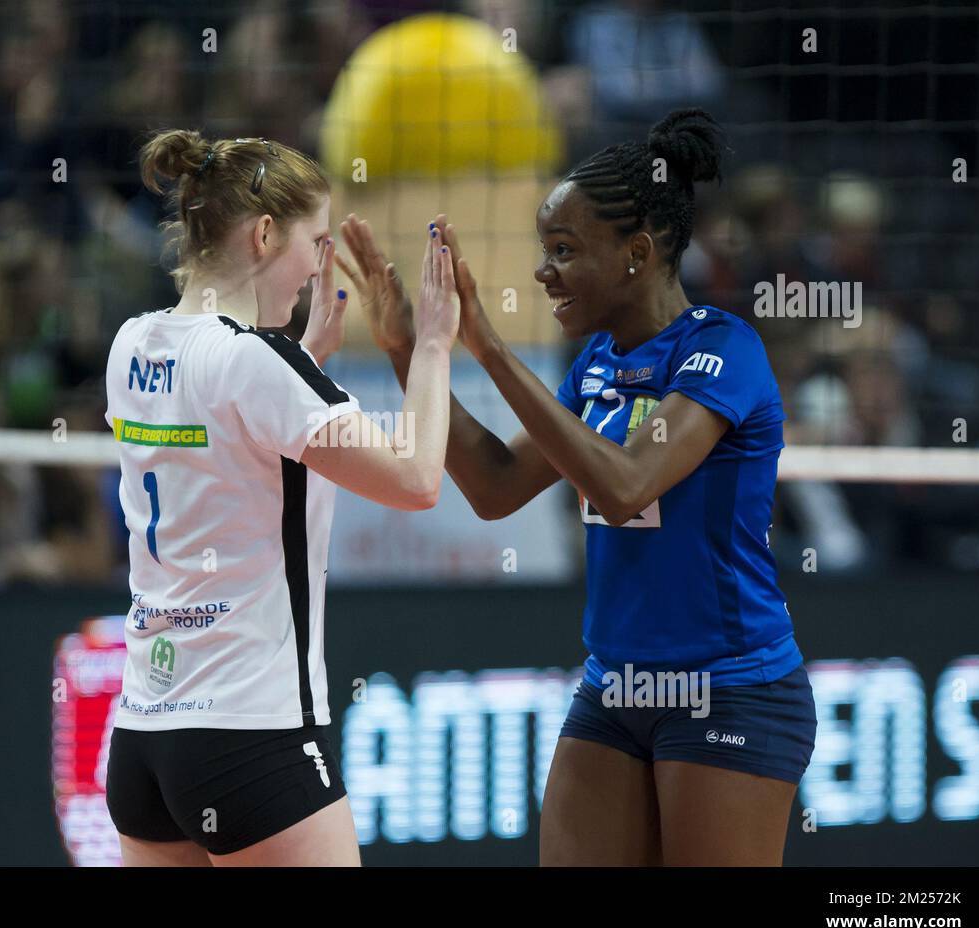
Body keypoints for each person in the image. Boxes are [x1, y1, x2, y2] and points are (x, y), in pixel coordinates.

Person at [340, 109, 816, 866]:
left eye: (564, 250)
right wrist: (410, 350)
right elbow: (495, 486)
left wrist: (489, 348)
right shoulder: (596, 363)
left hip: (730, 688)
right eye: (543, 250)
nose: (542, 271)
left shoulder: (722, 351)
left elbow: (626, 483)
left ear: (636, 252)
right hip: (616, 688)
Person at [103, 131, 459, 867]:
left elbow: (226, 444)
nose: (316, 266)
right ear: (264, 233)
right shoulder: (259, 362)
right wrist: (432, 346)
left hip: (143, 745)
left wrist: (308, 360)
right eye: (316, 241)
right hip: (252, 740)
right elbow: (418, 479)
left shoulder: (131, 343)